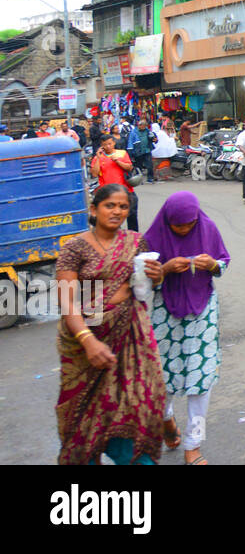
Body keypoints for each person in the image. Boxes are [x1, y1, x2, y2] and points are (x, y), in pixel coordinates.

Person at [54, 183, 167, 465]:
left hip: (130, 334)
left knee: (136, 405)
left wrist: (158, 275)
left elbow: (145, 288)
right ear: (94, 209)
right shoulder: (73, 248)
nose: (117, 211)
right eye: (110, 205)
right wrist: (87, 340)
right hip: (85, 340)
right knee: (83, 417)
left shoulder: (135, 242)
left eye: (123, 207)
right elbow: (67, 302)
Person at [141, 192, 229, 466]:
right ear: (167, 220)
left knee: (201, 382)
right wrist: (164, 270)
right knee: (160, 380)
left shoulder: (208, 227)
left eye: (189, 224)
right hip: (162, 313)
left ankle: (193, 445)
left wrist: (213, 264)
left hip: (202, 312)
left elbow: (223, 261)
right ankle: (166, 418)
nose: (184, 229)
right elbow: (140, 285)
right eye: (178, 226)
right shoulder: (150, 239)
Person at [91, 137, 139, 232]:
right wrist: (98, 158)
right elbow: (94, 174)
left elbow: (129, 167)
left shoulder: (122, 153)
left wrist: (117, 161)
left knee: (132, 215)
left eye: (110, 143)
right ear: (102, 146)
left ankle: (134, 237)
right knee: (113, 218)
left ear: (114, 143)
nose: (108, 146)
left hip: (126, 190)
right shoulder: (98, 157)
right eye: (105, 144)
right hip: (108, 194)